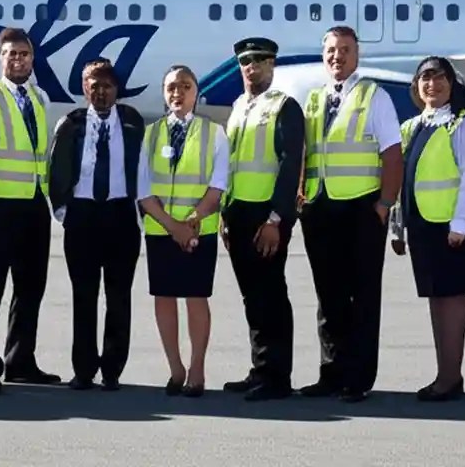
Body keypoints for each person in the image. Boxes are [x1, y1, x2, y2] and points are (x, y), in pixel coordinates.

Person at [299, 25, 403, 402]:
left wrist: (385, 204)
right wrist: (301, 196)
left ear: (357, 56)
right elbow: (306, 152)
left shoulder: (374, 96)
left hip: (363, 208)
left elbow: (392, 154)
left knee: (362, 296)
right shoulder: (314, 99)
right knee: (329, 296)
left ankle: (357, 379)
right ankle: (331, 372)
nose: (337, 56)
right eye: (331, 50)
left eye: (345, 49)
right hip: (320, 207)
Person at [0, 27, 61, 395]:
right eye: (11, 54)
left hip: (33, 205)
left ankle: (20, 360)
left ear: (32, 59)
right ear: (0, 58)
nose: (18, 60)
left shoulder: (39, 97)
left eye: (24, 54)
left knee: (30, 287)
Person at [390, 56, 465, 401]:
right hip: (424, 228)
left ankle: (450, 377)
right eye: (425, 79)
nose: (432, 85)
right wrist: (398, 229)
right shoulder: (415, 126)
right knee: (437, 299)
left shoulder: (464, 124)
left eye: (439, 78)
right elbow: (405, 183)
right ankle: (444, 374)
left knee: (451, 298)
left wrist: (461, 223)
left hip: (452, 229)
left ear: (452, 84)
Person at [48, 59, 145, 391]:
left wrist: (139, 212)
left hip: (120, 215)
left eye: (107, 86)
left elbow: (143, 166)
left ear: (117, 89)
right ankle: (84, 369)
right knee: (84, 296)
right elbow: (56, 169)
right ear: (84, 88)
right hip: (83, 216)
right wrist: (65, 212)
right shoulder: (71, 124)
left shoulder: (132, 122)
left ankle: (113, 369)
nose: (101, 92)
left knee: (119, 296)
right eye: (94, 86)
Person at [221, 37, 306, 401]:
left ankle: (277, 377)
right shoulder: (239, 106)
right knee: (252, 297)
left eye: (259, 60)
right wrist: (224, 214)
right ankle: (260, 368)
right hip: (239, 212)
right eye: (246, 61)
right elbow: (231, 163)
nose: (251, 67)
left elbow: (291, 164)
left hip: (266, 215)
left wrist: (276, 219)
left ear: (272, 65)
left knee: (271, 294)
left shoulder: (284, 106)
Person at [138, 64, 229, 397]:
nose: (178, 93)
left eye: (185, 86)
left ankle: (197, 368)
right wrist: (172, 226)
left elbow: (218, 187)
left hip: (198, 231)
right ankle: (175, 368)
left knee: (195, 297)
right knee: (164, 298)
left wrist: (191, 222)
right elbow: (143, 189)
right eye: (171, 87)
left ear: (196, 92)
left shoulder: (214, 133)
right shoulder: (150, 135)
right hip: (161, 229)